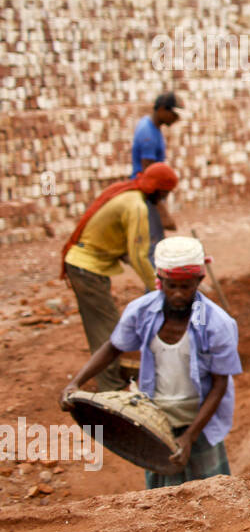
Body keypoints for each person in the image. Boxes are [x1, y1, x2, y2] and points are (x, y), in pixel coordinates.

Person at [59, 236, 242, 489]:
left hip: (198, 419)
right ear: (160, 281)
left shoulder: (216, 323)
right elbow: (113, 347)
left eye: (186, 287)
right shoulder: (142, 311)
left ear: (199, 281)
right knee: (160, 498)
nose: (178, 294)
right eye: (171, 286)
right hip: (156, 419)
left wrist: (190, 437)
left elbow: (220, 384)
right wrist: (75, 382)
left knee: (211, 491)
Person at [60, 162, 179, 393]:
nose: (164, 199)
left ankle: (113, 379)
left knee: (106, 326)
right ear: (158, 189)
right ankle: (110, 387)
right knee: (107, 331)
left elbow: (125, 248)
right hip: (86, 268)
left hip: (86, 266)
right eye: (165, 193)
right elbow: (138, 255)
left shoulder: (129, 195)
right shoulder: (136, 206)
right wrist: (158, 286)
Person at [131, 92, 182, 261]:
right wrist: (162, 209)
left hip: (148, 193)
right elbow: (149, 176)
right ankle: (154, 286)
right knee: (155, 246)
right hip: (148, 195)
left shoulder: (149, 125)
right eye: (174, 114)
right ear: (161, 110)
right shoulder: (149, 135)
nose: (176, 119)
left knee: (155, 243)